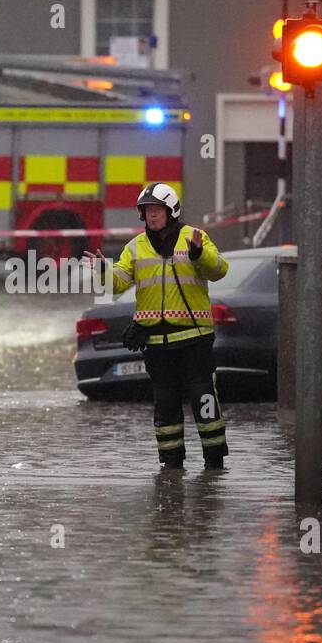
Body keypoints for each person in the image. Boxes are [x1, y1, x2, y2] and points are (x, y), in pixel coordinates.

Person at [84, 183, 230, 469]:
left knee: (204, 400)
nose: (151, 216)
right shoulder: (135, 247)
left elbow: (220, 270)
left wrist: (200, 254)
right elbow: (117, 284)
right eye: (147, 211)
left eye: (157, 210)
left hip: (194, 340)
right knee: (165, 405)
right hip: (156, 343)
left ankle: (215, 465)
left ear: (171, 211)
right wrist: (103, 270)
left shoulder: (194, 238)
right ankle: (170, 467)